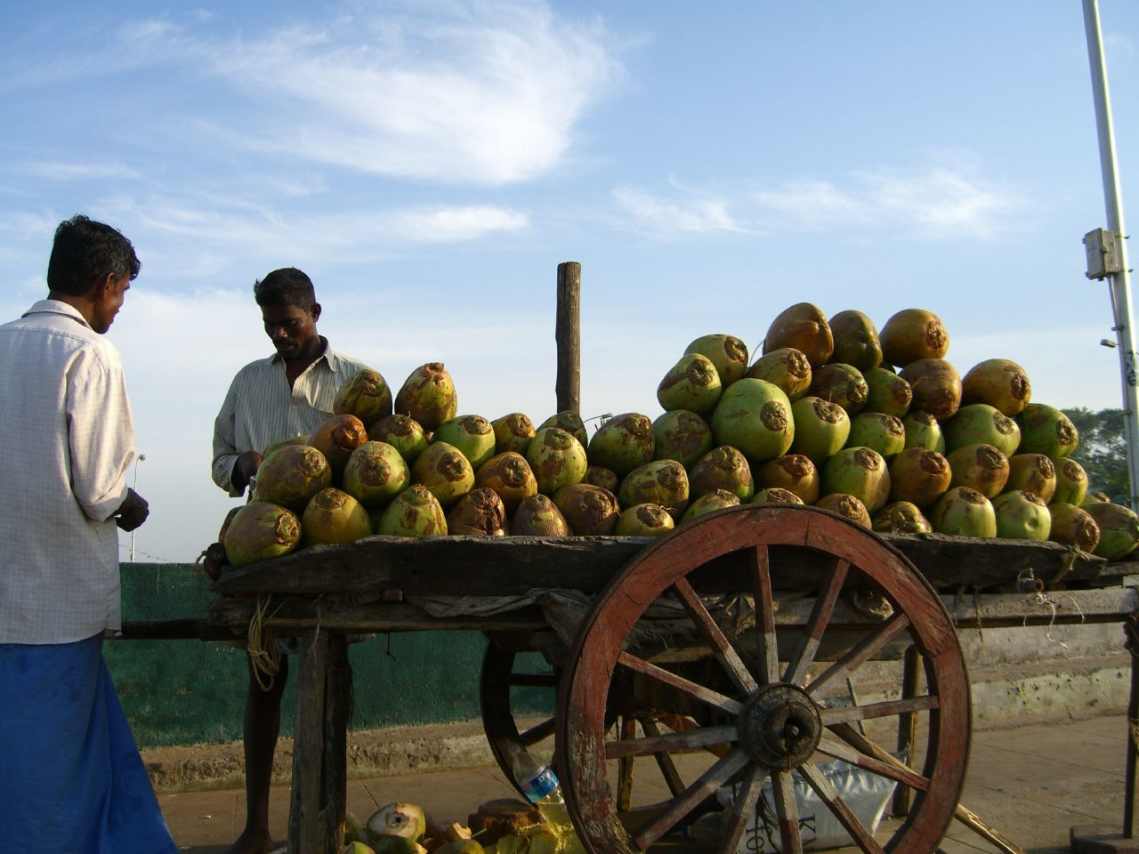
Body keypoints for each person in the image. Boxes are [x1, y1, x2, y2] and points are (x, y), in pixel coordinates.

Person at [0, 215, 177, 852]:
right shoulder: (89, 354)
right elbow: (99, 488)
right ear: (105, 283)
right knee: (50, 781)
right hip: (53, 609)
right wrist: (130, 502)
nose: (120, 306)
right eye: (123, 292)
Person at [212, 267, 372, 854]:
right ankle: (256, 826)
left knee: (328, 680)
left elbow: (381, 455)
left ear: (316, 314)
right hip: (267, 545)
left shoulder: (356, 381)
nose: (279, 334)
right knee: (264, 681)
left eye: (290, 323)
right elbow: (220, 461)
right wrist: (245, 465)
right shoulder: (248, 381)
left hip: (334, 550)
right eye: (270, 325)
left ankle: (328, 822)